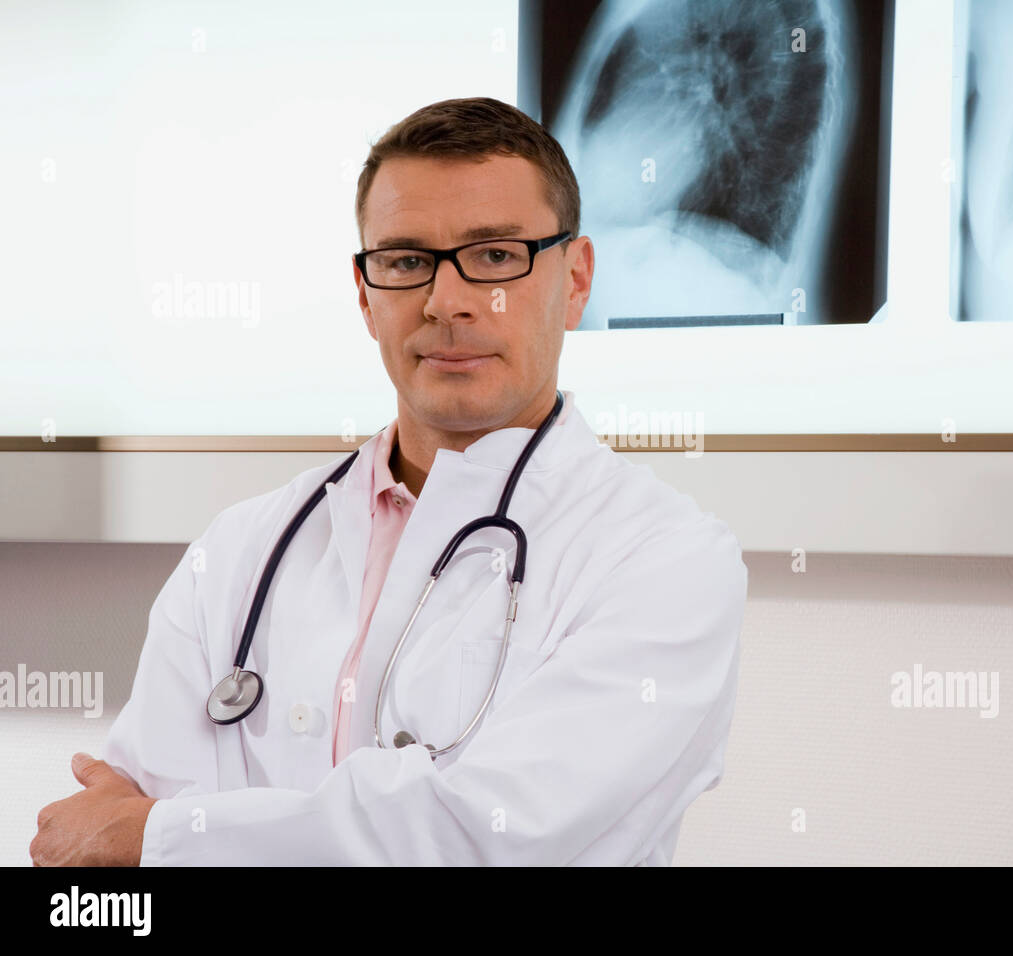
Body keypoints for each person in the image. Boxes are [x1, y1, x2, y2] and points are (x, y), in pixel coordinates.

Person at [28, 97, 747, 866]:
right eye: (406, 261)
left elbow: (486, 837)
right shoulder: (241, 551)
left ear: (576, 280)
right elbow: (116, 854)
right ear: (366, 294)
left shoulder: (667, 561)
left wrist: (163, 838)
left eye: (496, 256)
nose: (446, 303)